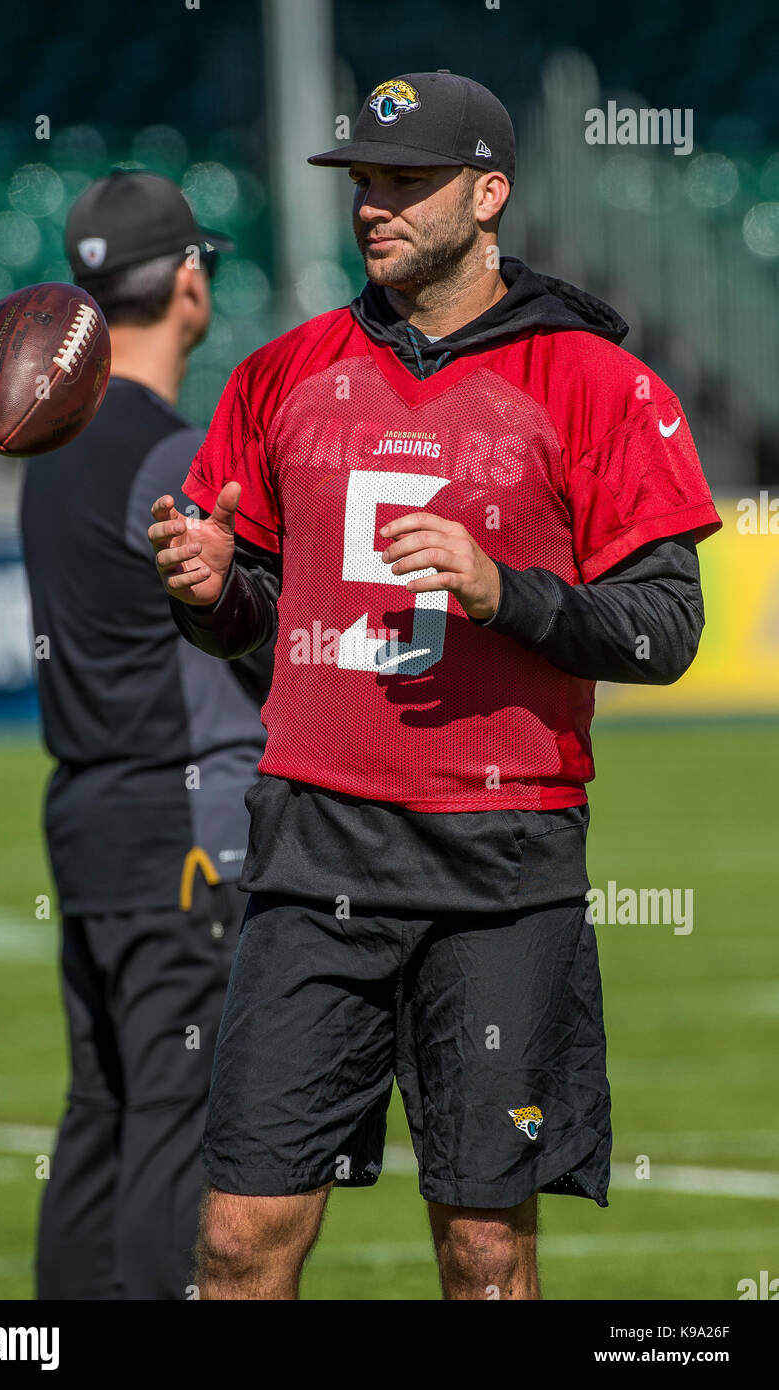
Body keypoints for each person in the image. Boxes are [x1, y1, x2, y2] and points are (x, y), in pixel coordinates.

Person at [149, 72, 722, 1300]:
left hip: (499, 868)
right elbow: (249, 617)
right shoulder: (279, 372)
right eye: (362, 182)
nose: (373, 207)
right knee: (240, 1238)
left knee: (483, 1250)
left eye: (404, 182)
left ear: (489, 192)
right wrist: (209, 595)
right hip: (312, 852)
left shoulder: (596, 384)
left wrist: (502, 590)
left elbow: (666, 630)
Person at [20, 170, 273, 1300]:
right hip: (179, 825)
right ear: (186, 279)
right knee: (173, 1125)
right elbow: (253, 636)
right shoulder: (176, 457)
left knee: (101, 1111)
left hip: (87, 819)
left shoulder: (52, 443)